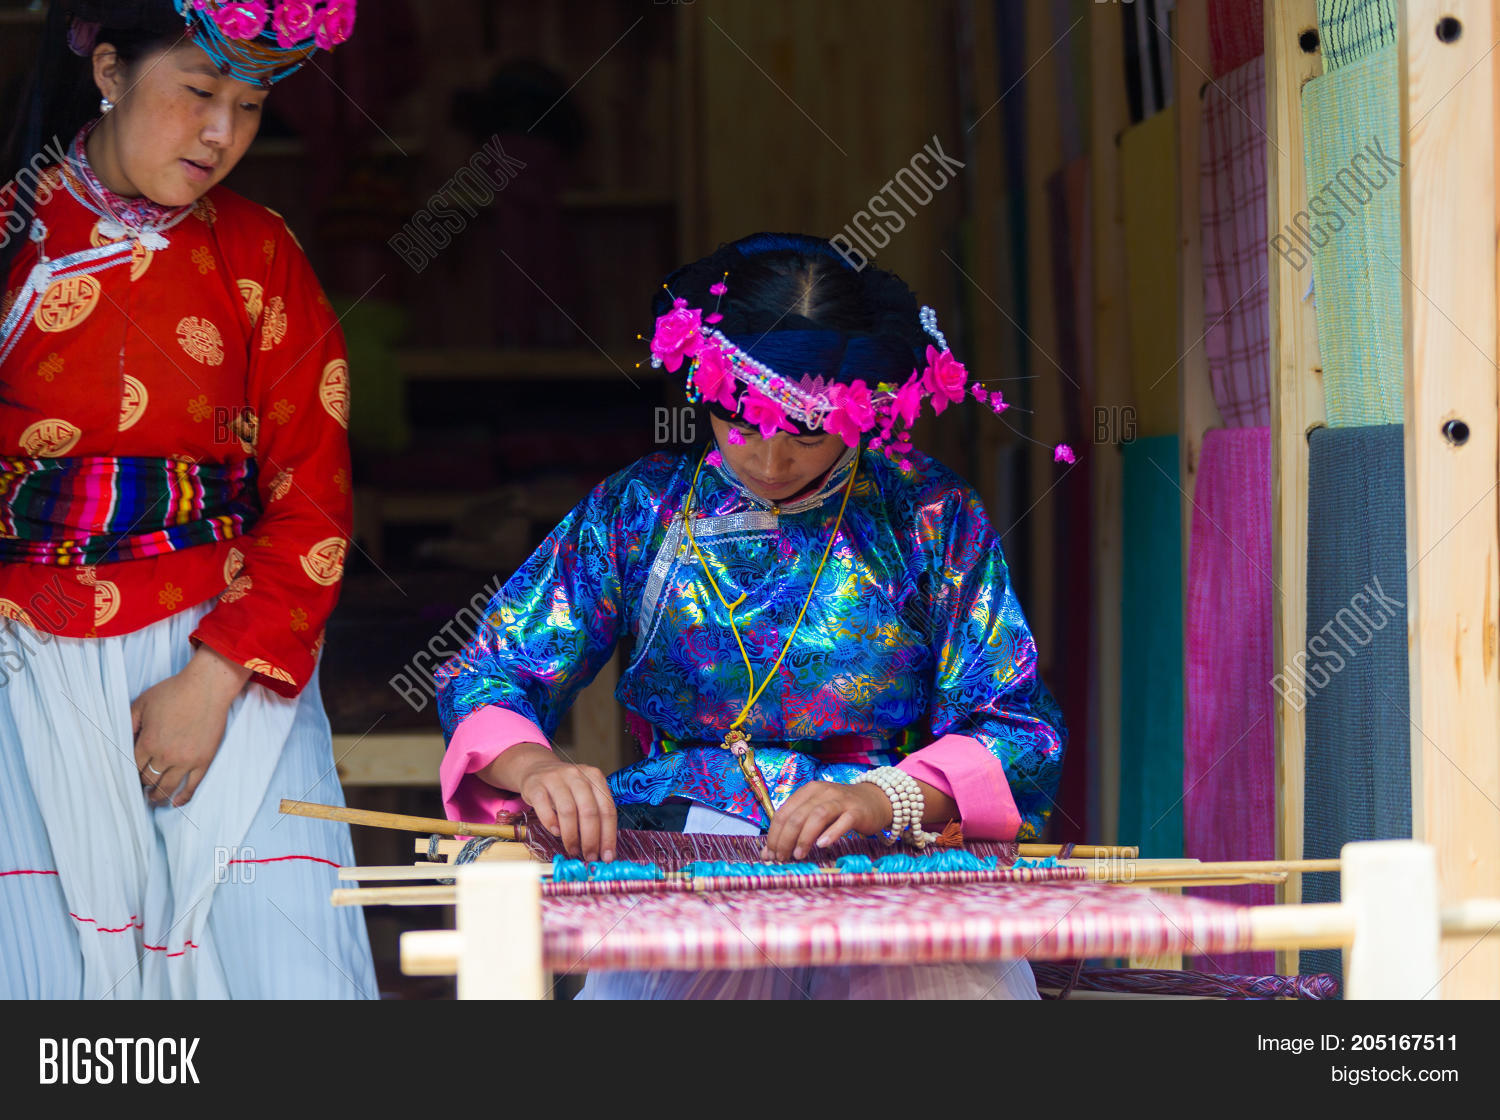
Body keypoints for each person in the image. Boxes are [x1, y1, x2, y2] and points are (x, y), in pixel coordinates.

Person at [436, 232, 1068, 1000]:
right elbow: (489, 673)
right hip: (684, 855)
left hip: (886, 858)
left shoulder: (927, 513)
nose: (770, 462)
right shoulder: (641, 512)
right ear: (702, 390)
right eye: (740, 424)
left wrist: (882, 797)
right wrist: (538, 769)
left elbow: (1017, 730)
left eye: (806, 432)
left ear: (864, 409)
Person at [0, 0, 374, 999]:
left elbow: (312, 504)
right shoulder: (10, 235)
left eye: (250, 106)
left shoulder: (260, 254)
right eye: (200, 93)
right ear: (110, 70)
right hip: (20, 661)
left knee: (269, 963)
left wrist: (213, 684)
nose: (223, 134)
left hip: (228, 655)